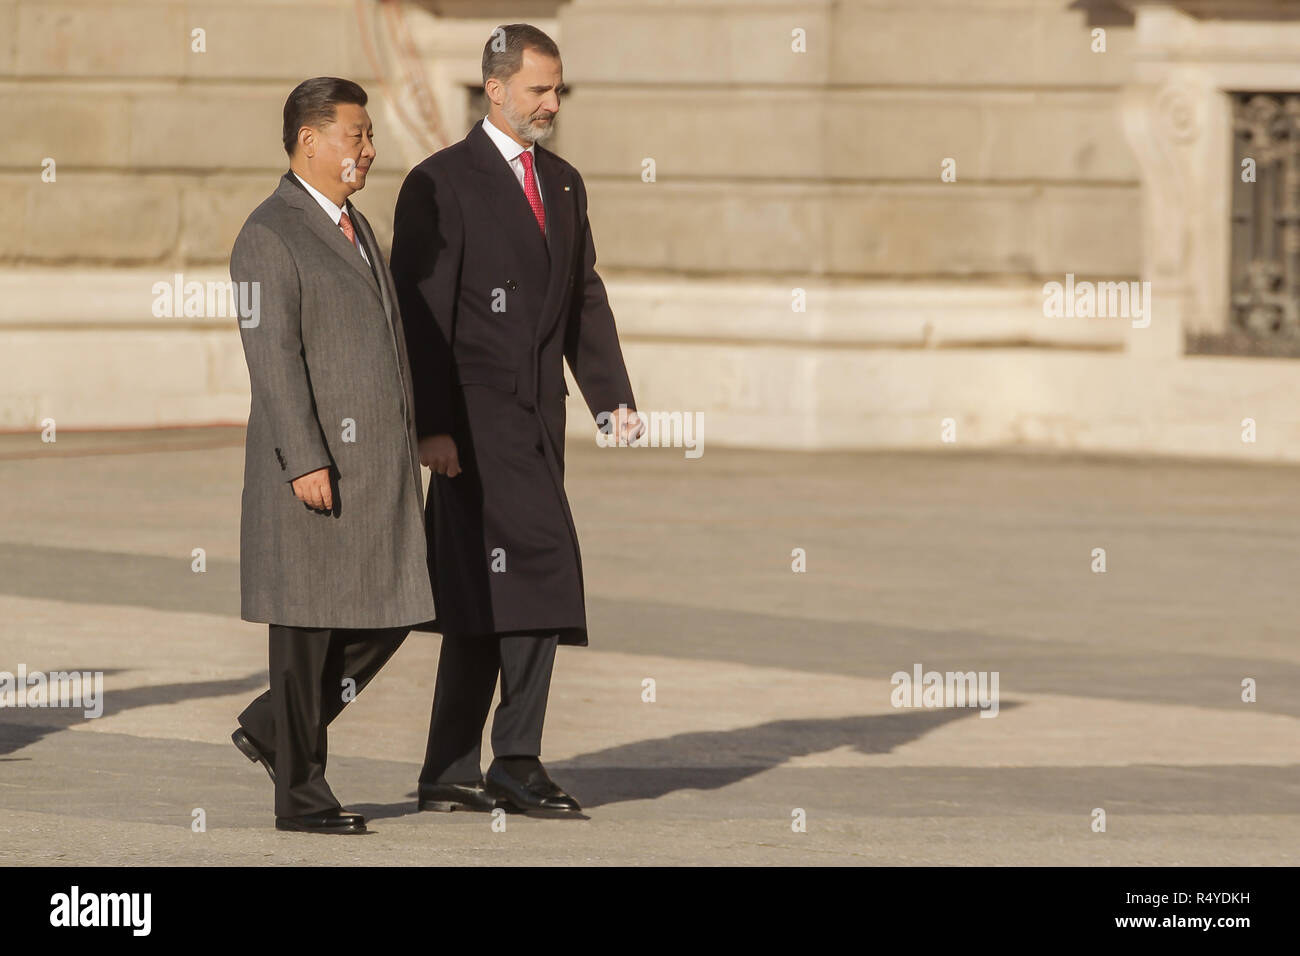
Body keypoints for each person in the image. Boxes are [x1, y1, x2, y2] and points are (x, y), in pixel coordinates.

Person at [391, 23, 643, 818]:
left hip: (539, 423)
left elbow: (583, 296)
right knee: (543, 579)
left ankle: (448, 771)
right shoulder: (441, 181)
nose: (551, 102)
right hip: (468, 430)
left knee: (480, 596)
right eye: (538, 88)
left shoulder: (564, 183)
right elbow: (420, 312)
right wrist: (430, 426)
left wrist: (612, 398)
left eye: (557, 88)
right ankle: (517, 760)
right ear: (495, 89)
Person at [229, 77, 435, 834]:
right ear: (309, 141)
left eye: (370, 136)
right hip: (312, 468)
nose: (370, 151)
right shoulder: (267, 233)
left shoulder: (356, 226)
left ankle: (273, 728)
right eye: (357, 135)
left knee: (394, 608)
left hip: (377, 467)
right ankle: (302, 796)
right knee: (305, 630)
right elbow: (272, 358)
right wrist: (303, 458)